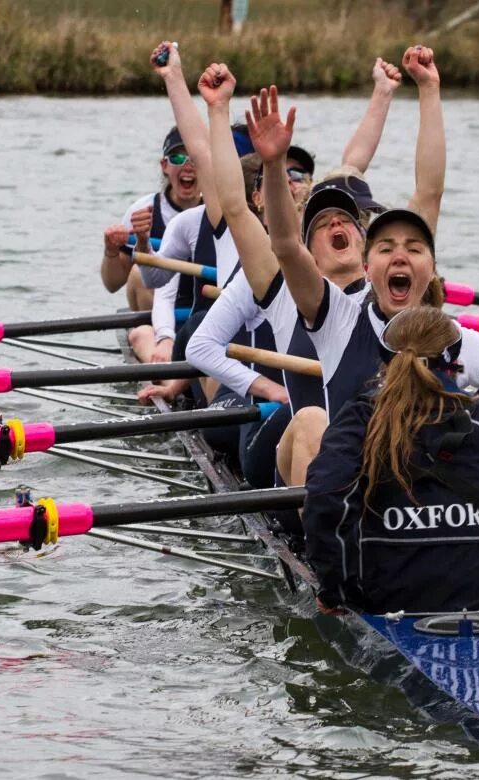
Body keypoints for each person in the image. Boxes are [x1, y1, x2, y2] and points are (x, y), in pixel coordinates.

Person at [251, 47, 479, 492]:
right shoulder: (338, 317)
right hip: (350, 513)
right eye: (386, 247)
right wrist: (273, 165)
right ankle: (321, 553)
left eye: (413, 247)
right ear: (368, 268)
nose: (400, 256)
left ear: (431, 269)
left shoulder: (462, 342)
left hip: (425, 516)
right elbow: (287, 246)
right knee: (311, 421)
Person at [183, 58, 401, 486]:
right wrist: (218, 109)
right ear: (305, 247)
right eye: (321, 226)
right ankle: (319, 535)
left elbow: (427, 195)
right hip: (298, 453)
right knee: (310, 420)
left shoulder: (392, 292)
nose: (336, 228)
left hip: (375, 458)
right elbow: (235, 208)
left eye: (346, 221)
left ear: (366, 239)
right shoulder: (286, 291)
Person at [303, 269, 479, 614]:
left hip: (391, 604)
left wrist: (337, 589)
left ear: (387, 359)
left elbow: (326, 497)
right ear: (455, 362)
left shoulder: (361, 421)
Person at [100, 123, 203, 362]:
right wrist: (111, 251)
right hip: (154, 316)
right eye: (178, 157)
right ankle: (156, 347)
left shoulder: (217, 211)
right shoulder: (142, 212)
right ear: (164, 166)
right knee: (139, 271)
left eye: (195, 158)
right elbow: (112, 283)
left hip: (201, 309)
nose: (187, 165)